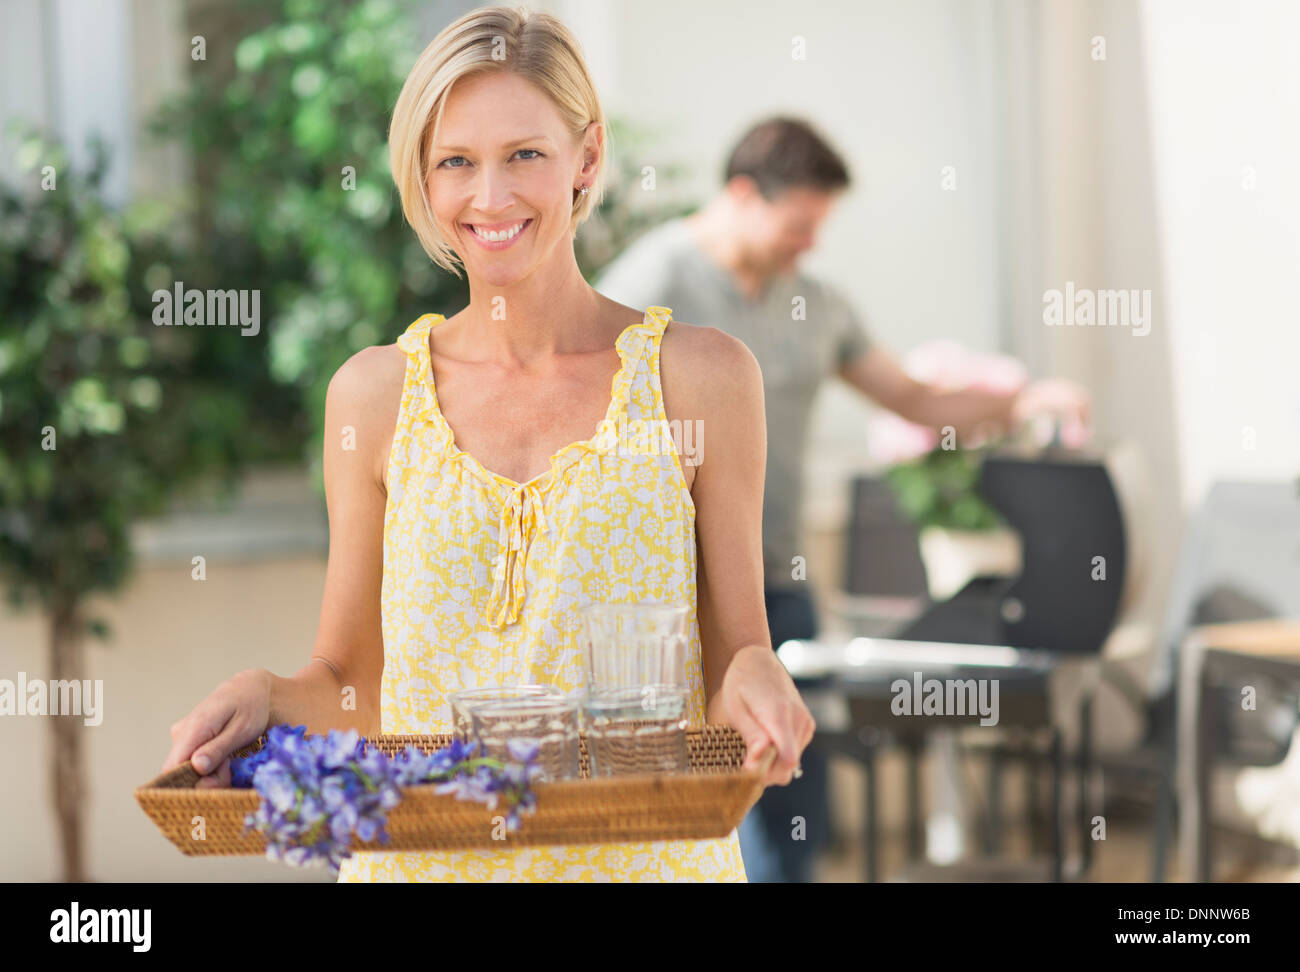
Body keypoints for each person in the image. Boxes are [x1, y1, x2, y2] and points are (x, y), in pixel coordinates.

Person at [161, 7, 815, 882]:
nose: (490, 197)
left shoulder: (702, 379)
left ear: (586, 157)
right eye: (456, 162)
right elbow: (353, 683)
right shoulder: (374, 396)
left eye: (525, 155)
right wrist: (271, 695)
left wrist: (757, 683)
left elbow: (736, 652)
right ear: (424, 180)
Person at [594, 117, 1089, 882]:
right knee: (700, 804)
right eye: (799, 225)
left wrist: (1023, 401)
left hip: (779, 587)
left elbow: (915, 400)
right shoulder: (653, 282)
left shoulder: (819, 304)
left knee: (792, 797)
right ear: (742, 194)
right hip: (668, 594)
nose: (811, 244)